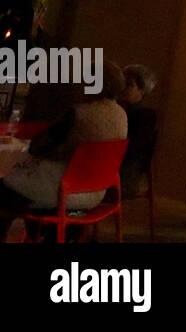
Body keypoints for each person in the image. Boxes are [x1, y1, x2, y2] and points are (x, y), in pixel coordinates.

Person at [0, 62, 129, 240]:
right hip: (94, 195)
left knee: (6, 190)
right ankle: (35, 236)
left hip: (62, 196)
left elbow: (39, 147)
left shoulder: (78, 114)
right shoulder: (121, 115)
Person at [118, 64, 160, 198]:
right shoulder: (116, 110)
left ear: (142, 90)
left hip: (127, 174)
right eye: (122, 83)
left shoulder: (146, 116)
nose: (123, 88)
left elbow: (132, 149)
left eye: (129, 85)